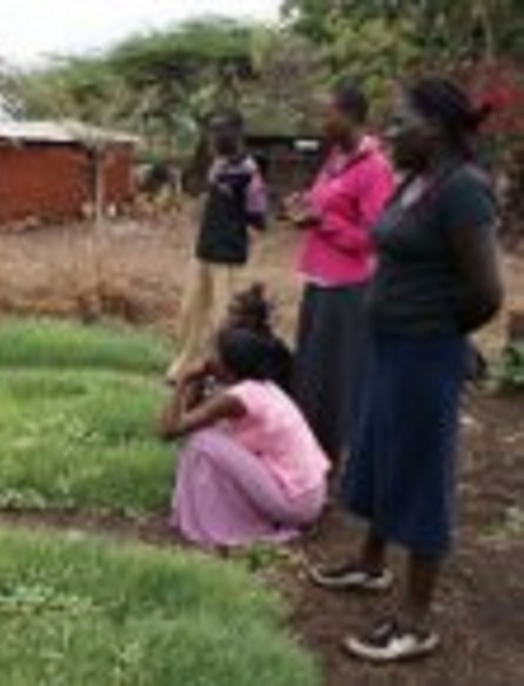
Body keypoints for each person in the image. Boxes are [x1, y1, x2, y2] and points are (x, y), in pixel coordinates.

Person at [310, 78, 503, 664]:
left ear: (436, 129)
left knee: (419, 472)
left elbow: (486, 293)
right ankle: (371, 565)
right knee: (376, 454)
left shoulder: (464, 190)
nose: (388, 131)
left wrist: (436, 330)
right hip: (389, 346)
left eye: (400, 122)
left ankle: (415, 621)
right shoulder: (417, 182)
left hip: (423, 354)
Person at [289, 84, 395, 466]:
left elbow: (374, 237)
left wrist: (324, 221)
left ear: (350, 116)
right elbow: (323, 207)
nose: (323, 121)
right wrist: (306, 210)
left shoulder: (375, 168)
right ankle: (312, 453)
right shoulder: (333, 159)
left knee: (339, 376)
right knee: (312, 372)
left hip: (348, 287)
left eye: (328, 113)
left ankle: (343, 455)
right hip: (317, 279)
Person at [161, 329, 330, 549]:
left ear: (229, 366)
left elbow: (169, 430)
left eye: (214, 354)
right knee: (213, 436)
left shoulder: (237, 398)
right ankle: (227, 511)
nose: (208, 359)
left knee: (202, 441)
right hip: (309, 495)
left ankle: (220, 523)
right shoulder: (261, 387)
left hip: (295, 504)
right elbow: (193, 414)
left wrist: (183, 381)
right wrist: (198, 382)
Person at [167, 110, 268, 383]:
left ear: (236, 135)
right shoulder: (218, 165)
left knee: (223, 317)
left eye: (220, 131)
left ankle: (221, 372)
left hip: (228, 257)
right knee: (191, 312)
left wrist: (241, 222)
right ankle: (185, 367)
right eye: (212, 131)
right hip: (204, 250)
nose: (214, 137)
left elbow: (259, 219)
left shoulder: (249, 172)